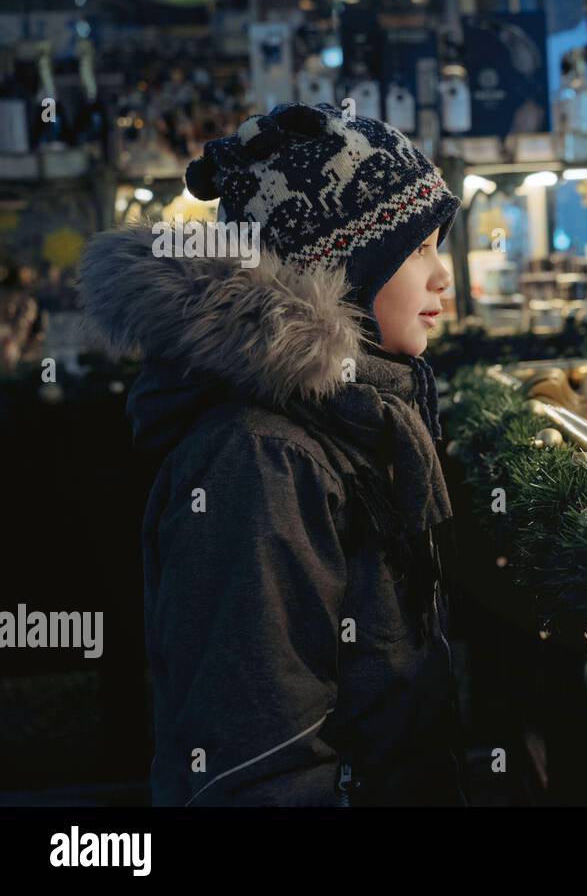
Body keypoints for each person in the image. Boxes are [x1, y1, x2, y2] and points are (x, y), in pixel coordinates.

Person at [78, 102, 466, 806]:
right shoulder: (264, 458)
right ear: (339, 267)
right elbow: (258, 749)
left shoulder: (354, 418)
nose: (443, 276)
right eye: (417, 249)